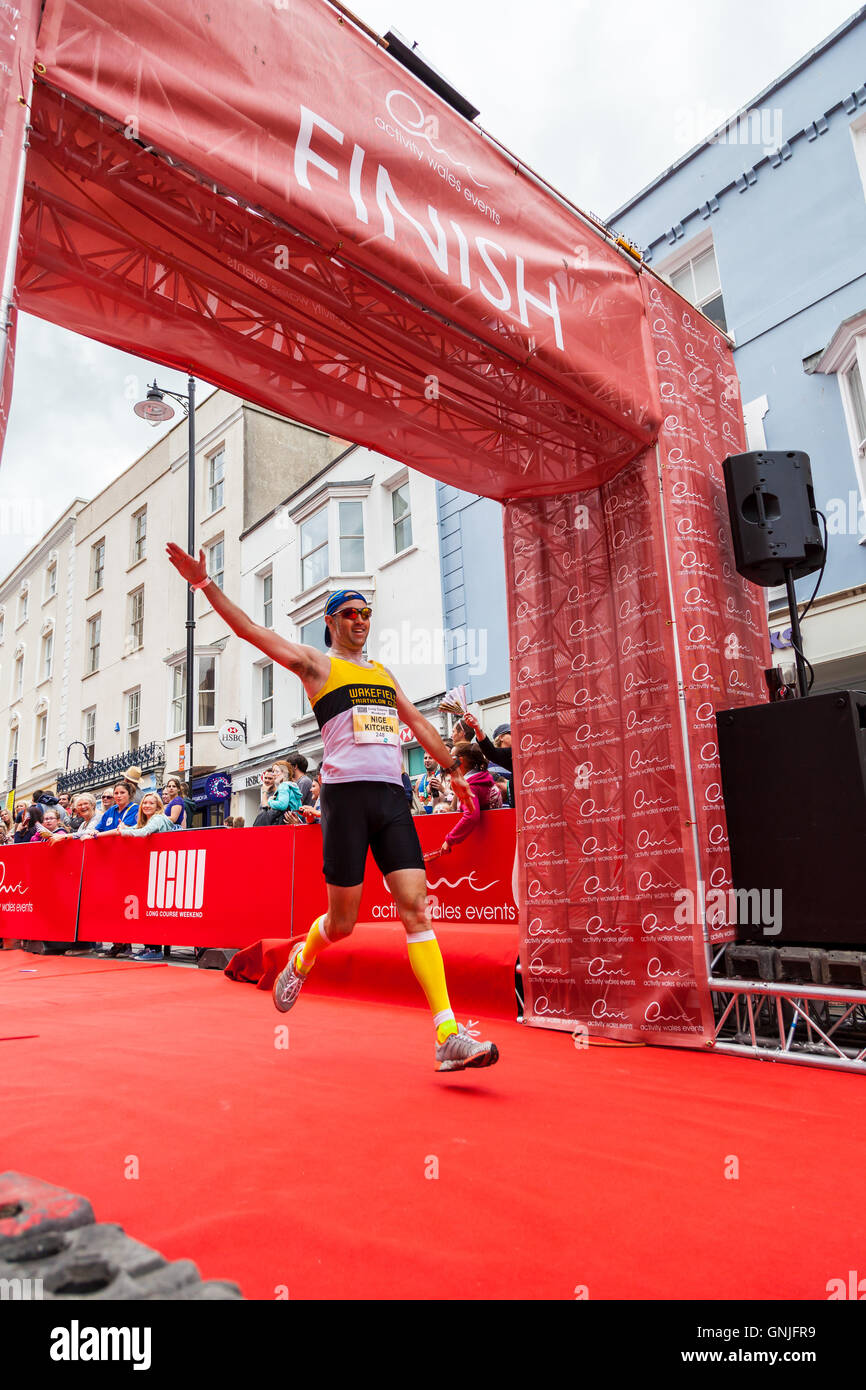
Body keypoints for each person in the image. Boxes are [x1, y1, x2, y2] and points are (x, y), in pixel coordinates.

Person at [167, 548, 498, 1073]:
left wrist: (452, 770)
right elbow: (250, 631)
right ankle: (303, 958)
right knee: (342, 922)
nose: (360, 620)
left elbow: (418, 724)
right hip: (345, 799)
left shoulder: (383, 674)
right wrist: (204, 584)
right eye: (350, 613)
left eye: (366, 613)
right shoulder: (317, 665)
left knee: (416, 908)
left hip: (391, 797)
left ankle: (446, 1032)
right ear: (330, 621)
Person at [424, 743, 502, 863]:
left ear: (460, 760)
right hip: (490, 841)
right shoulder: (480, 778)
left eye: (451, 756)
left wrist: (449, 840)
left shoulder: (471, 786)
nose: (448, 759)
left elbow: (471, 815)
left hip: (479, 845)